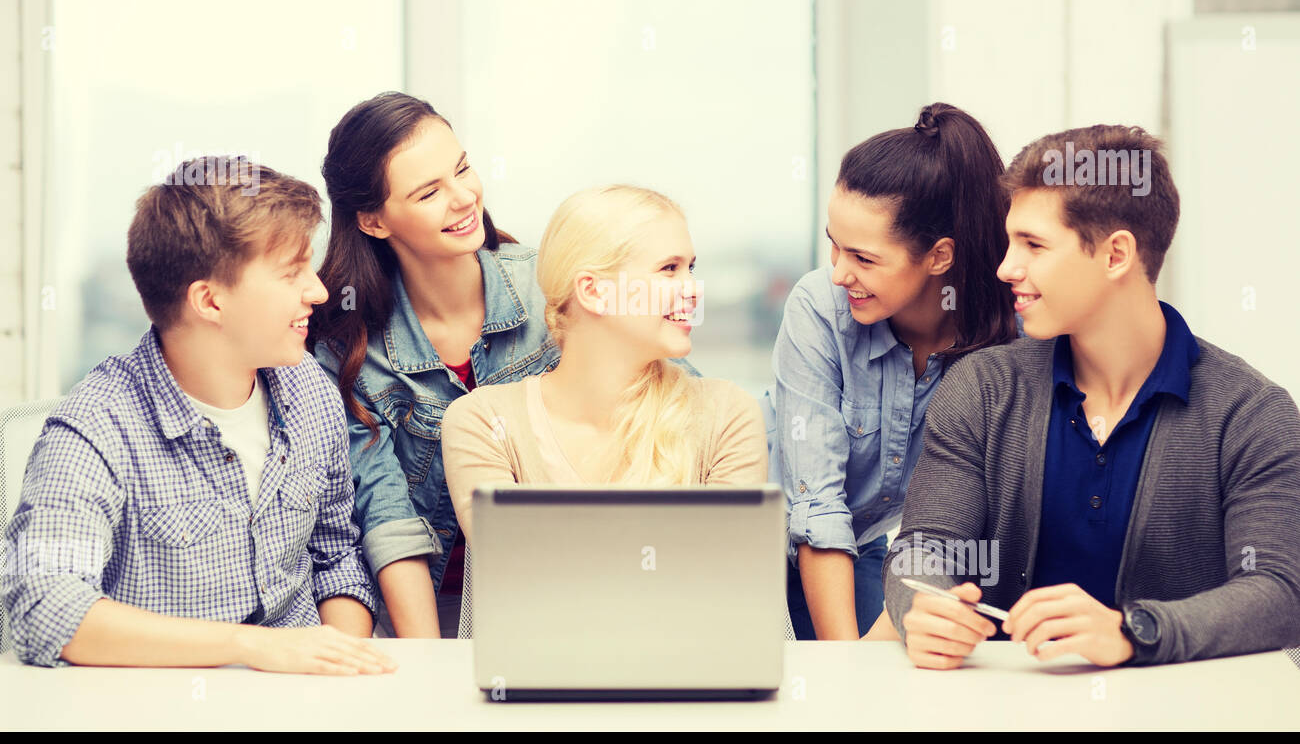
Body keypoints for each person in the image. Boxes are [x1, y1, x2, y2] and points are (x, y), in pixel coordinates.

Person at [883, 124, 1300, 668]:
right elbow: (918, 553)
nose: (1005, 267)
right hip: (1001, 710)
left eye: (1033, 244)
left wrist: (1133, 632)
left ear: (1115, 255)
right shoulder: (982, 389)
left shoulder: (1252, 415)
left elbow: (1278, 593)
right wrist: (926, 604)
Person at [1, 157, 394, 675]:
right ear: (209, 302)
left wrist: (336, 664)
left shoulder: (310, 392)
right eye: (291, 272)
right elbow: (44, 606)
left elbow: (335, 557)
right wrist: (252, 648)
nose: (318, 291)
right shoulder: (96, 426)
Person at [308, 92, 558, 638]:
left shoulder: (550, 290)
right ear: (373, 221)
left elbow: (665, 404)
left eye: (462, 168)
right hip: (424, 613)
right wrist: (427, 664)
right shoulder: (343, 345)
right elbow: (385, 515)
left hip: (554, 599)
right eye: (428, 193)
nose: (464, 197)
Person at [766, 103, 1018, 640]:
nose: (838, 273)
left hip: (863, 547)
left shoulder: (1012, 342)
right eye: (833, 244)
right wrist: (845, 666)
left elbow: (958, 526)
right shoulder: (819, 307)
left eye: (863, 257)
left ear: (939, 257)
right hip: (761, 547)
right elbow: (817, 504)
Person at [440, 185, 766, 567]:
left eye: (690, 268)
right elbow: (520, 578)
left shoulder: (728, 414)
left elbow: (724, 581)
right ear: (593, 292)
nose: (693, 291)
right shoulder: (481, 423)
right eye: (669, 269)